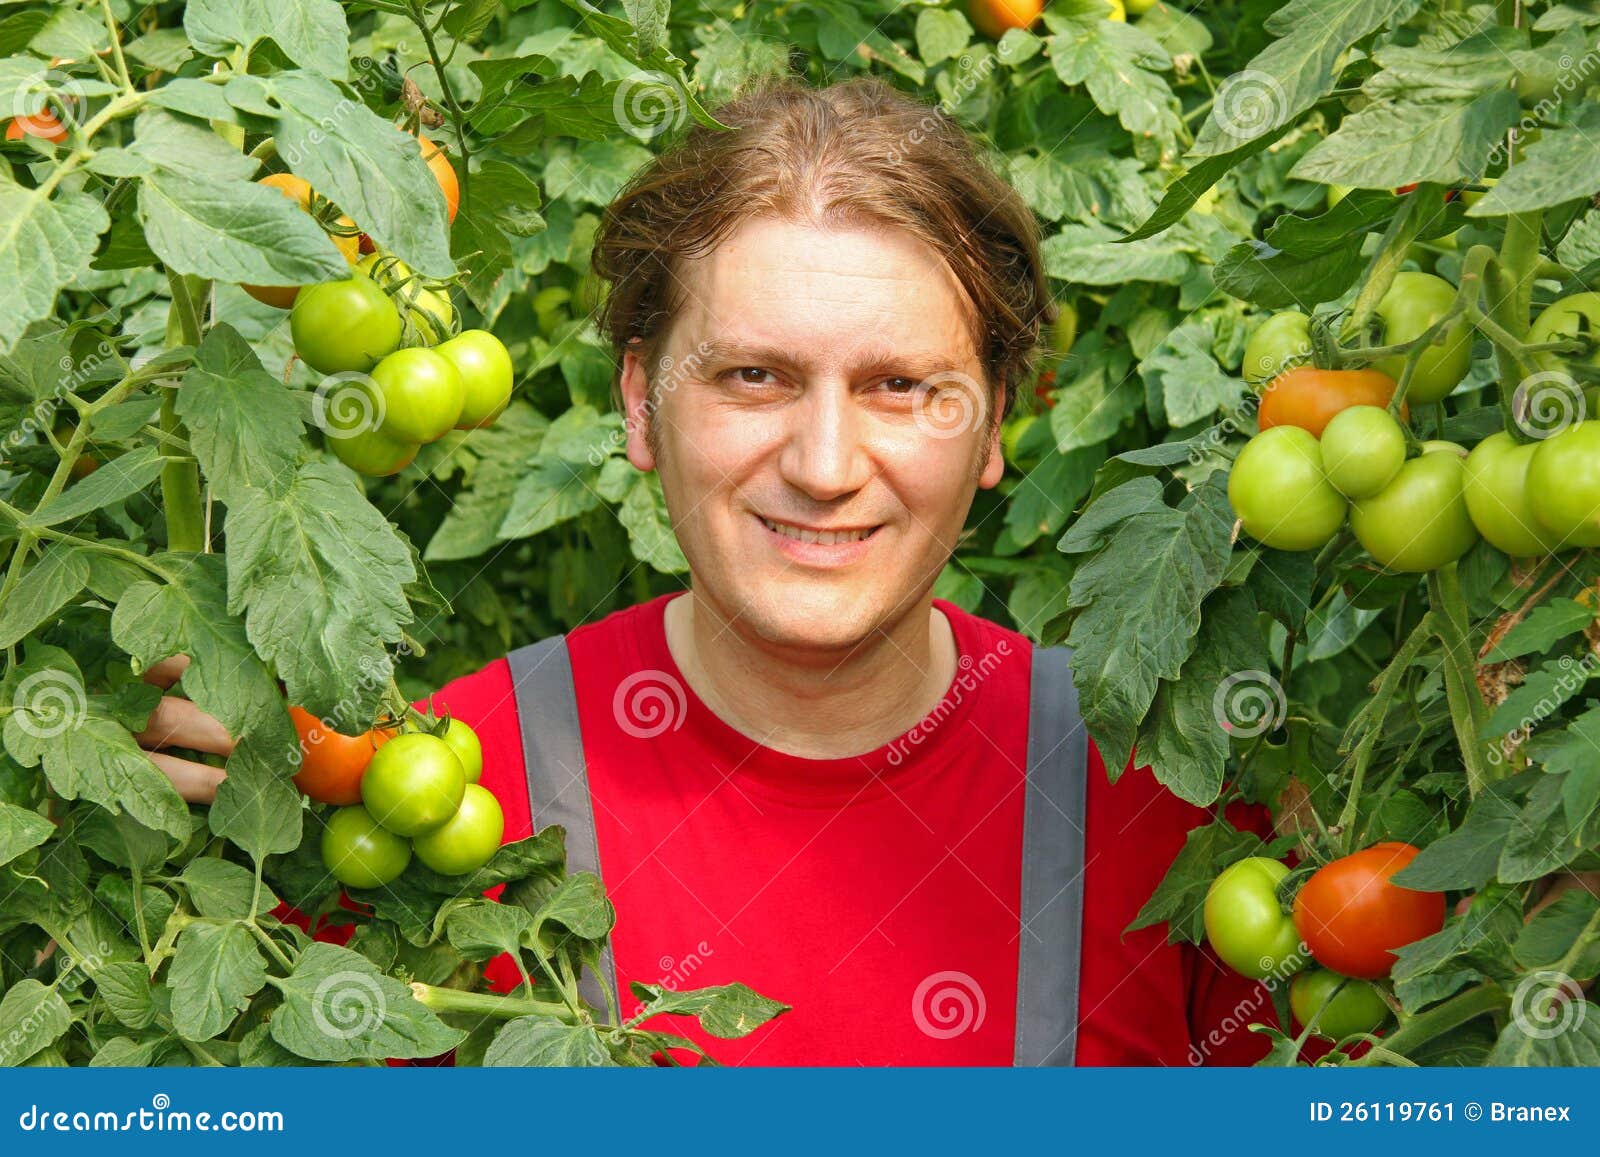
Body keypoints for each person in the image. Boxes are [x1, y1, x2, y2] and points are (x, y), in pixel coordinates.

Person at [136, 78, 1269, 1066]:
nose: (824, 466)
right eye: (754, 377)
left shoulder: (1170, 798)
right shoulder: (438, 792)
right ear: (641, 403)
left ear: (991, 427)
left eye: (898, 387)